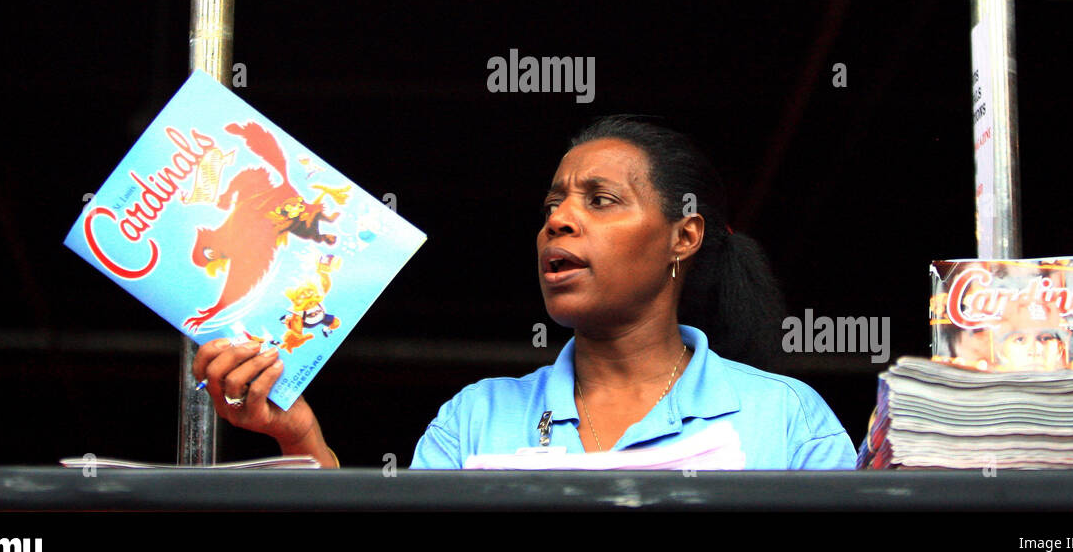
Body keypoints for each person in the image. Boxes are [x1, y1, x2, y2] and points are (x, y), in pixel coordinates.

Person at [192, 115, 856, 469]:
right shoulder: (475, 418)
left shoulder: (786, 417)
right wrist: (302, 442)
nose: (559, 221)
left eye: (601, 200)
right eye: (553, 205)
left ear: (683, 237)